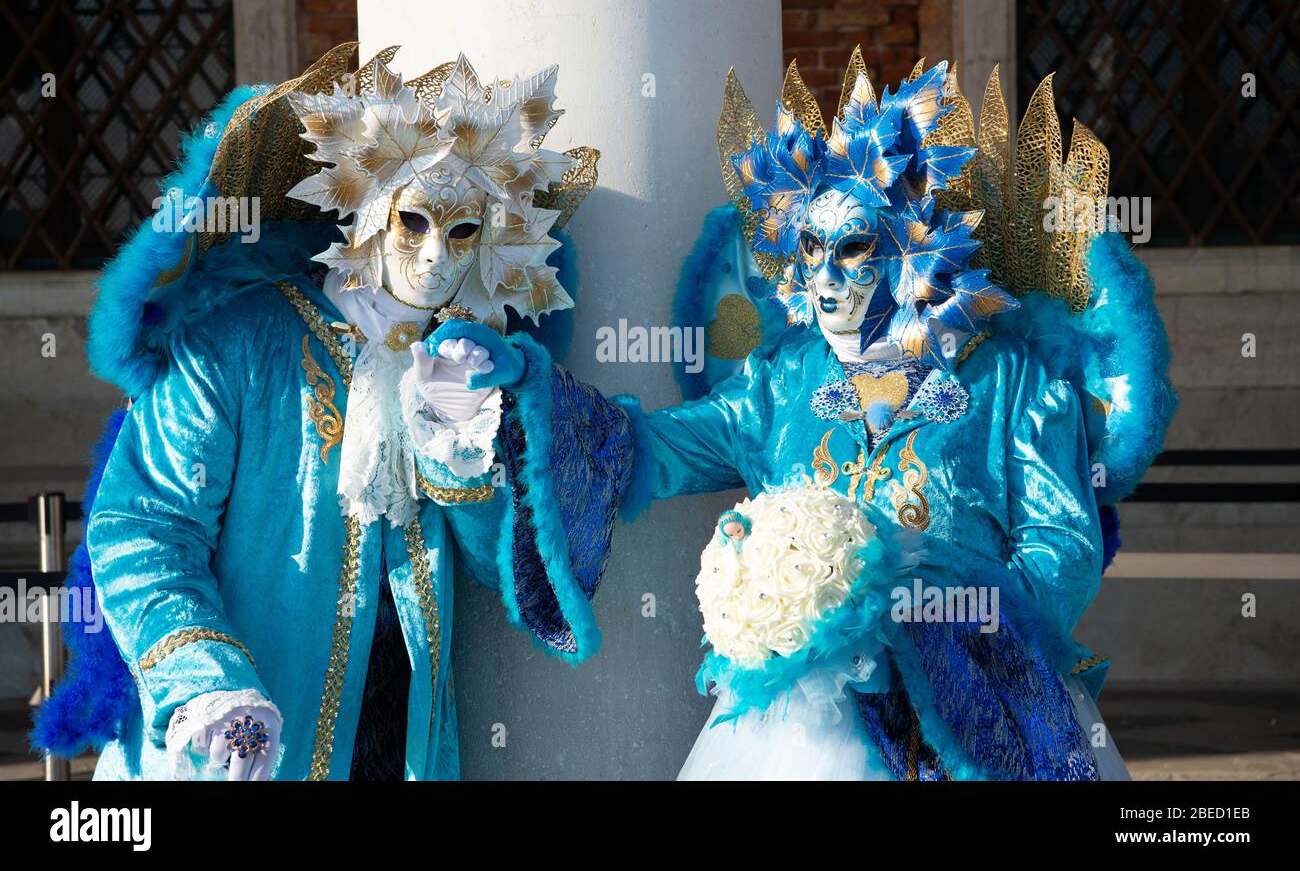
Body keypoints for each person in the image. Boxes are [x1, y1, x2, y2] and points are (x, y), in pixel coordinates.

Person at [434, 53, 1175, 780]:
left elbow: (1063, 549)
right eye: (810, 247)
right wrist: (520, 390)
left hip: (978, 705)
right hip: (805, 730)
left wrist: (950, 621)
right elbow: (642, 448)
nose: (823, 275)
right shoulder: (779, 380)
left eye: (852, 249)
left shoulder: (1009, 377)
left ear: (909, 249)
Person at [34, 44, 629, 780]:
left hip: (395, 745)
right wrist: (209, 682)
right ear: (369, 209)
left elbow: (491, 560)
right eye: (415, 220)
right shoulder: (239, 339)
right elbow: (143, 526)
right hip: (238, 751)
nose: (436, 253)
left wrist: (453, 439)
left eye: (465, 230)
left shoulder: (463, 363)